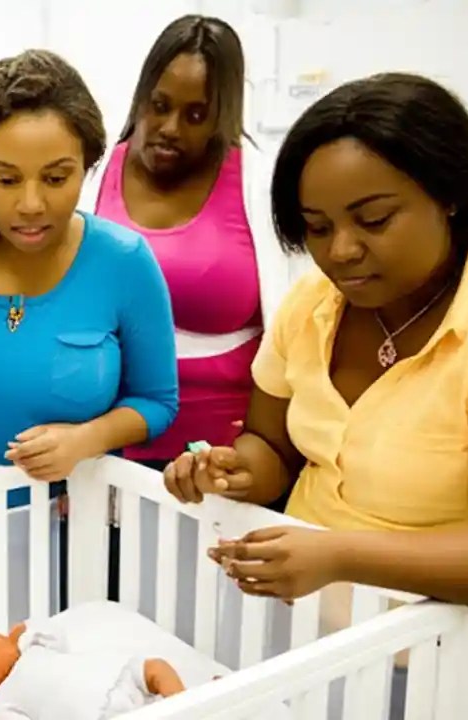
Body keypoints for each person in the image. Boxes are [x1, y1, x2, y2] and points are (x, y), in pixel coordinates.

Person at [167, 72, 468, 718]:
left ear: (451, 197)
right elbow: (272, 445)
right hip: (334, 639)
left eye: (374, 220)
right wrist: (234, 471)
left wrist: (341, 554)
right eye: (316, 228)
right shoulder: (313, 306)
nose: (341, 252)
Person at [0, 49, 179, 624]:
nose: (32, 204)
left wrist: (85, 440)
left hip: (82, 521)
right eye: (6, 178)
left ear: (90, 166)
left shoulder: (124, 261)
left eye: (57, 177)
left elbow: (157, 402)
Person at [92, 12, 306, 640]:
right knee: (112, 630)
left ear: (224, 113)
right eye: (159, 105)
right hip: (110, 451)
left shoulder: (260, 185)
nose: (168, 128)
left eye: (195, 113)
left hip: (227, 463)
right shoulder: (94, 173)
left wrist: (271, 457)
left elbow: (292, 327)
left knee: (215, 642)